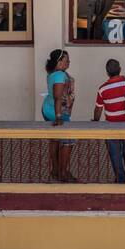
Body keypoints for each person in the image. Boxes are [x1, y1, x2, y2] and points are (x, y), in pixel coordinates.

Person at [42, 49, 77, 183]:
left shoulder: (53, 73)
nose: (69, 62)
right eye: (66, 60)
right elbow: (57, 97)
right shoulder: (59, 76)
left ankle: (56, 170)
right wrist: (58, 117)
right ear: (59, 62)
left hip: (48, 108)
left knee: (55, 139)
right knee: (68, 141)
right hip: (56, 112)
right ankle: (62, 172)